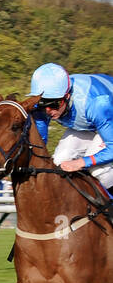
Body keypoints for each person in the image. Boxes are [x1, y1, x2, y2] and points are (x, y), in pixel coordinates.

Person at [28, 63, 113, 191]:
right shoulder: (45, 105)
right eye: (42, 104)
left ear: (67, 97)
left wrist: (82, 162)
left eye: (53, 104)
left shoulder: (97, 104)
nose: (48, 110)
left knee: (97, 170)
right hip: (93, 124)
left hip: (105, 116)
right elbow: (40, 145)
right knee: (59, 161)